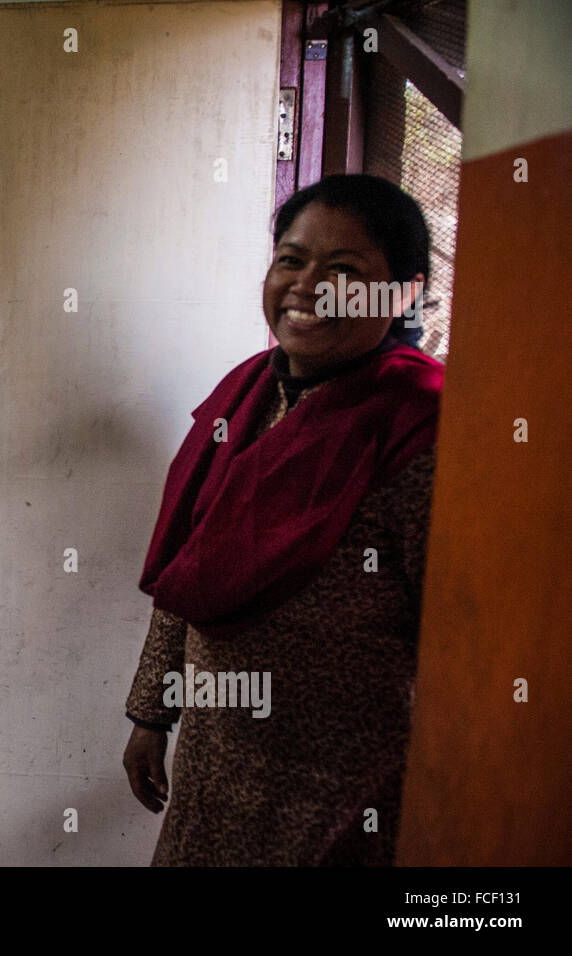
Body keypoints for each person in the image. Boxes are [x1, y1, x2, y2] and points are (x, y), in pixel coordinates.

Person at [122, 174, 445, 865]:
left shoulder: (423, 428)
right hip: (218, 761)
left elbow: (458, 639)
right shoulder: (244, 397)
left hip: (346, 787)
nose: (307, 285)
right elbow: (193, 569)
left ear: (405, 293)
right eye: (292, 259)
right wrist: (153, 711)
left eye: (345, 270)